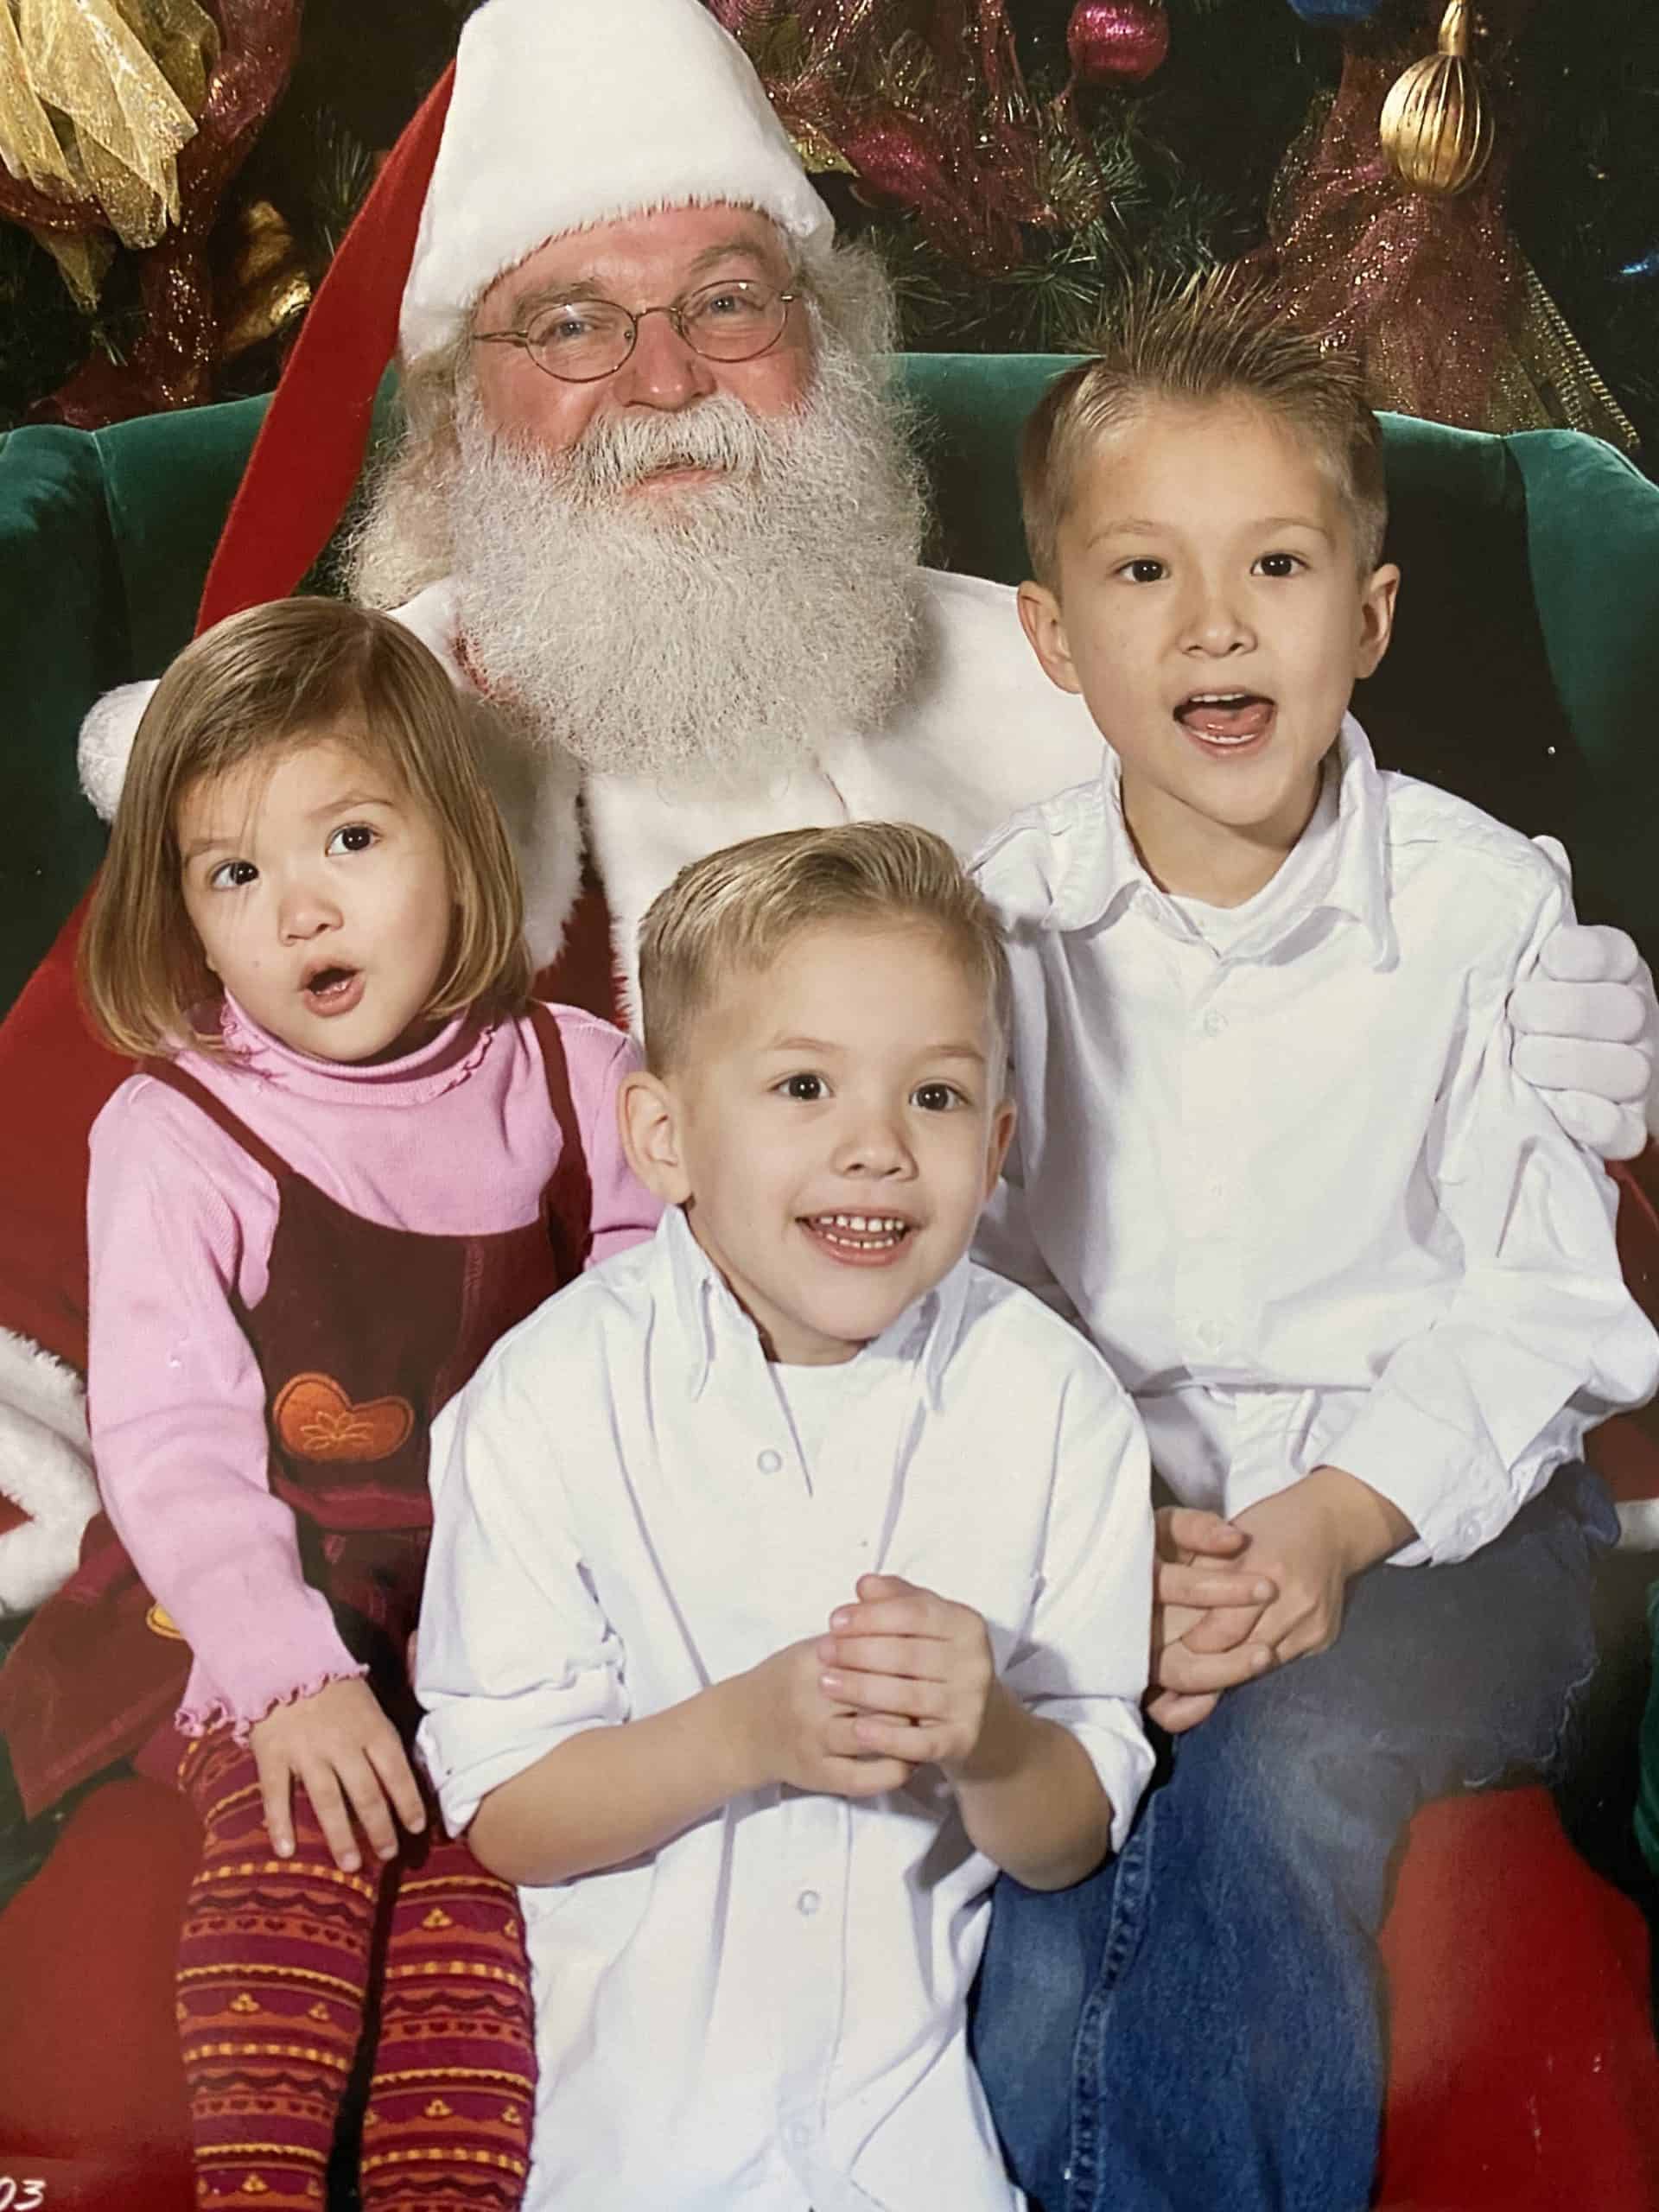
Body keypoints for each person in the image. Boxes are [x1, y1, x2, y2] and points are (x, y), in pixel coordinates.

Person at [963, 279, 1659, 2212]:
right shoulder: (995, 929)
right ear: (1052, 635)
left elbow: (1543, 1304)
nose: (1215, 623)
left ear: (1368, 614)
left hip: (1453, 1533)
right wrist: (1116, 1543)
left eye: (1276, 563)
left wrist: (1336, 1526)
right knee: (1059, 1830)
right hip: (1117, 1530)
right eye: (1143, 571)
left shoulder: (1486, 911)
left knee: (1275, 1762)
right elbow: (977, 1291)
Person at [0, 598, 658, 2209]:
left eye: (350, 839)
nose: (300, 908)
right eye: (233, 874)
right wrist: (291, 1676)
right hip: (251, 1605)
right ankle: (262, 2190)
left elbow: (656, 1351)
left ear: (461, 842)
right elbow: (172, 1448)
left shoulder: (576, 1073)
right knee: (305, 1840)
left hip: (502, 1617)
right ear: (183, 912)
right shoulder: (182, 1134)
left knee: (475, 1902)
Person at [414, 823, 1155, 2210]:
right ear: (666, 1137)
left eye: (936, 1097)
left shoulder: (1054, 1404)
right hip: (634, 2153)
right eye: (804, 1086)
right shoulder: (548, 1400)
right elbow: (507, 1809)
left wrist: (993, 1737)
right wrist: (747, 1733)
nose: (877, 1149)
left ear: (998, 1142)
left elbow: (1074, 1828)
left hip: (913, 2147)